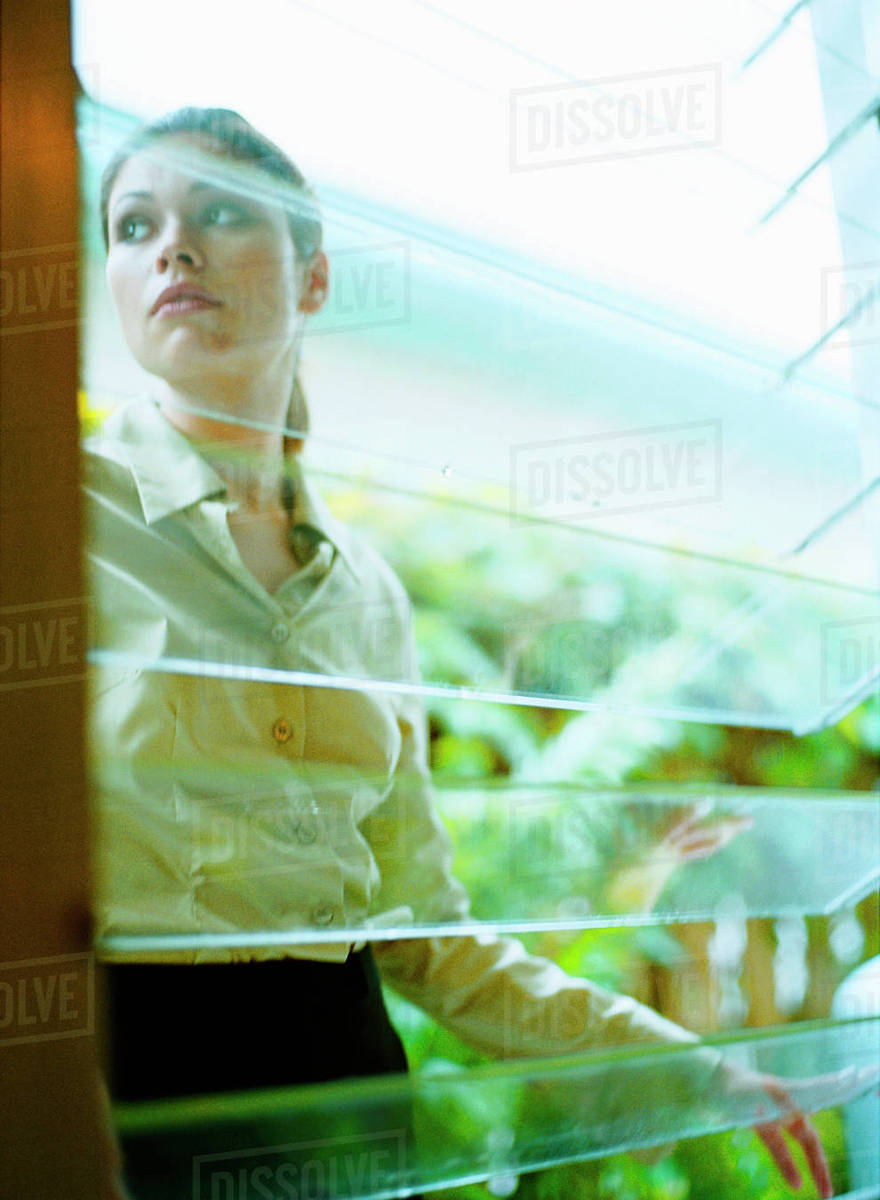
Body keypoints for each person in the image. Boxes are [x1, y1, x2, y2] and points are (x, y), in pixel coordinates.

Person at [85, 107, 833, 1199]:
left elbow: (429, 936)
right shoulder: (50, 524)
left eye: (223, 213)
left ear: (315, 280)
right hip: (121, 1088)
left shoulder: (370, 596)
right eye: (134, 224)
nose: (173, 248)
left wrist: (682, 1068)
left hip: (347, 1094)